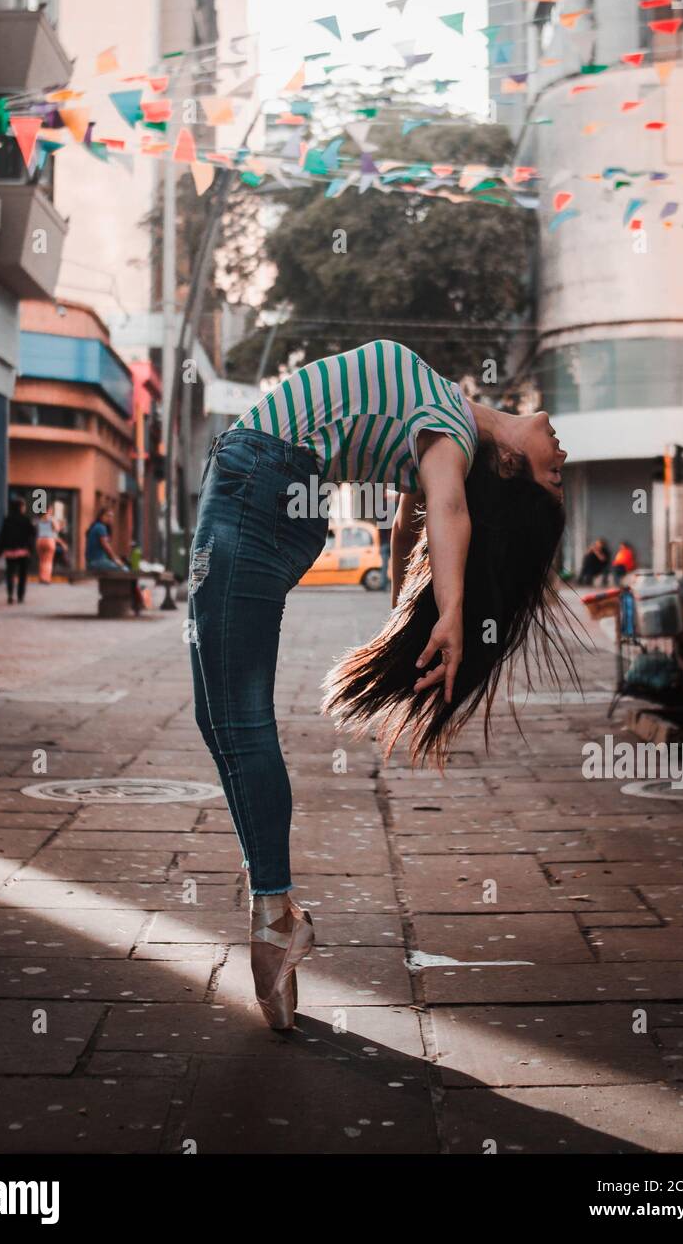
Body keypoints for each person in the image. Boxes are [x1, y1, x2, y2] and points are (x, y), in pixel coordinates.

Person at [187, 339, 572, 1032]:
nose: (564, 460)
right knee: (218, 714)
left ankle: (275, 915)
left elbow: (448, 511)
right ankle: (273, 902)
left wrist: (451, 613)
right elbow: (409, 527)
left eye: (555, 477)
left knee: (235, 716)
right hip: (258, 483)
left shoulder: (451, 436)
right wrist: (404, 616)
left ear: (511, 464)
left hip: (259, 483)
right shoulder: (443, 417)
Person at [0, 497, 36, 604]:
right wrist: (31, 550)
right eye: (23, 506)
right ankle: (20, 596)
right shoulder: (26, 520)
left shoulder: (7, 519)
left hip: (10, 552)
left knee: (10, 573)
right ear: (21, 507)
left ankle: (10, 595)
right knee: (22, 575)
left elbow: (2, 535)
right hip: (23, 551)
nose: (24, 508)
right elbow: (32, 535)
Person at [35, 510, 63, 584]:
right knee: (48, 561)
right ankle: (46, 578)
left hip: (40, 540)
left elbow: (37, 530)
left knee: (42, 560)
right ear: (48, 511)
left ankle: (41, 577)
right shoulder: (51, 519)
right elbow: (57, 529)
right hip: (49, 540)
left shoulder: (39, 520)